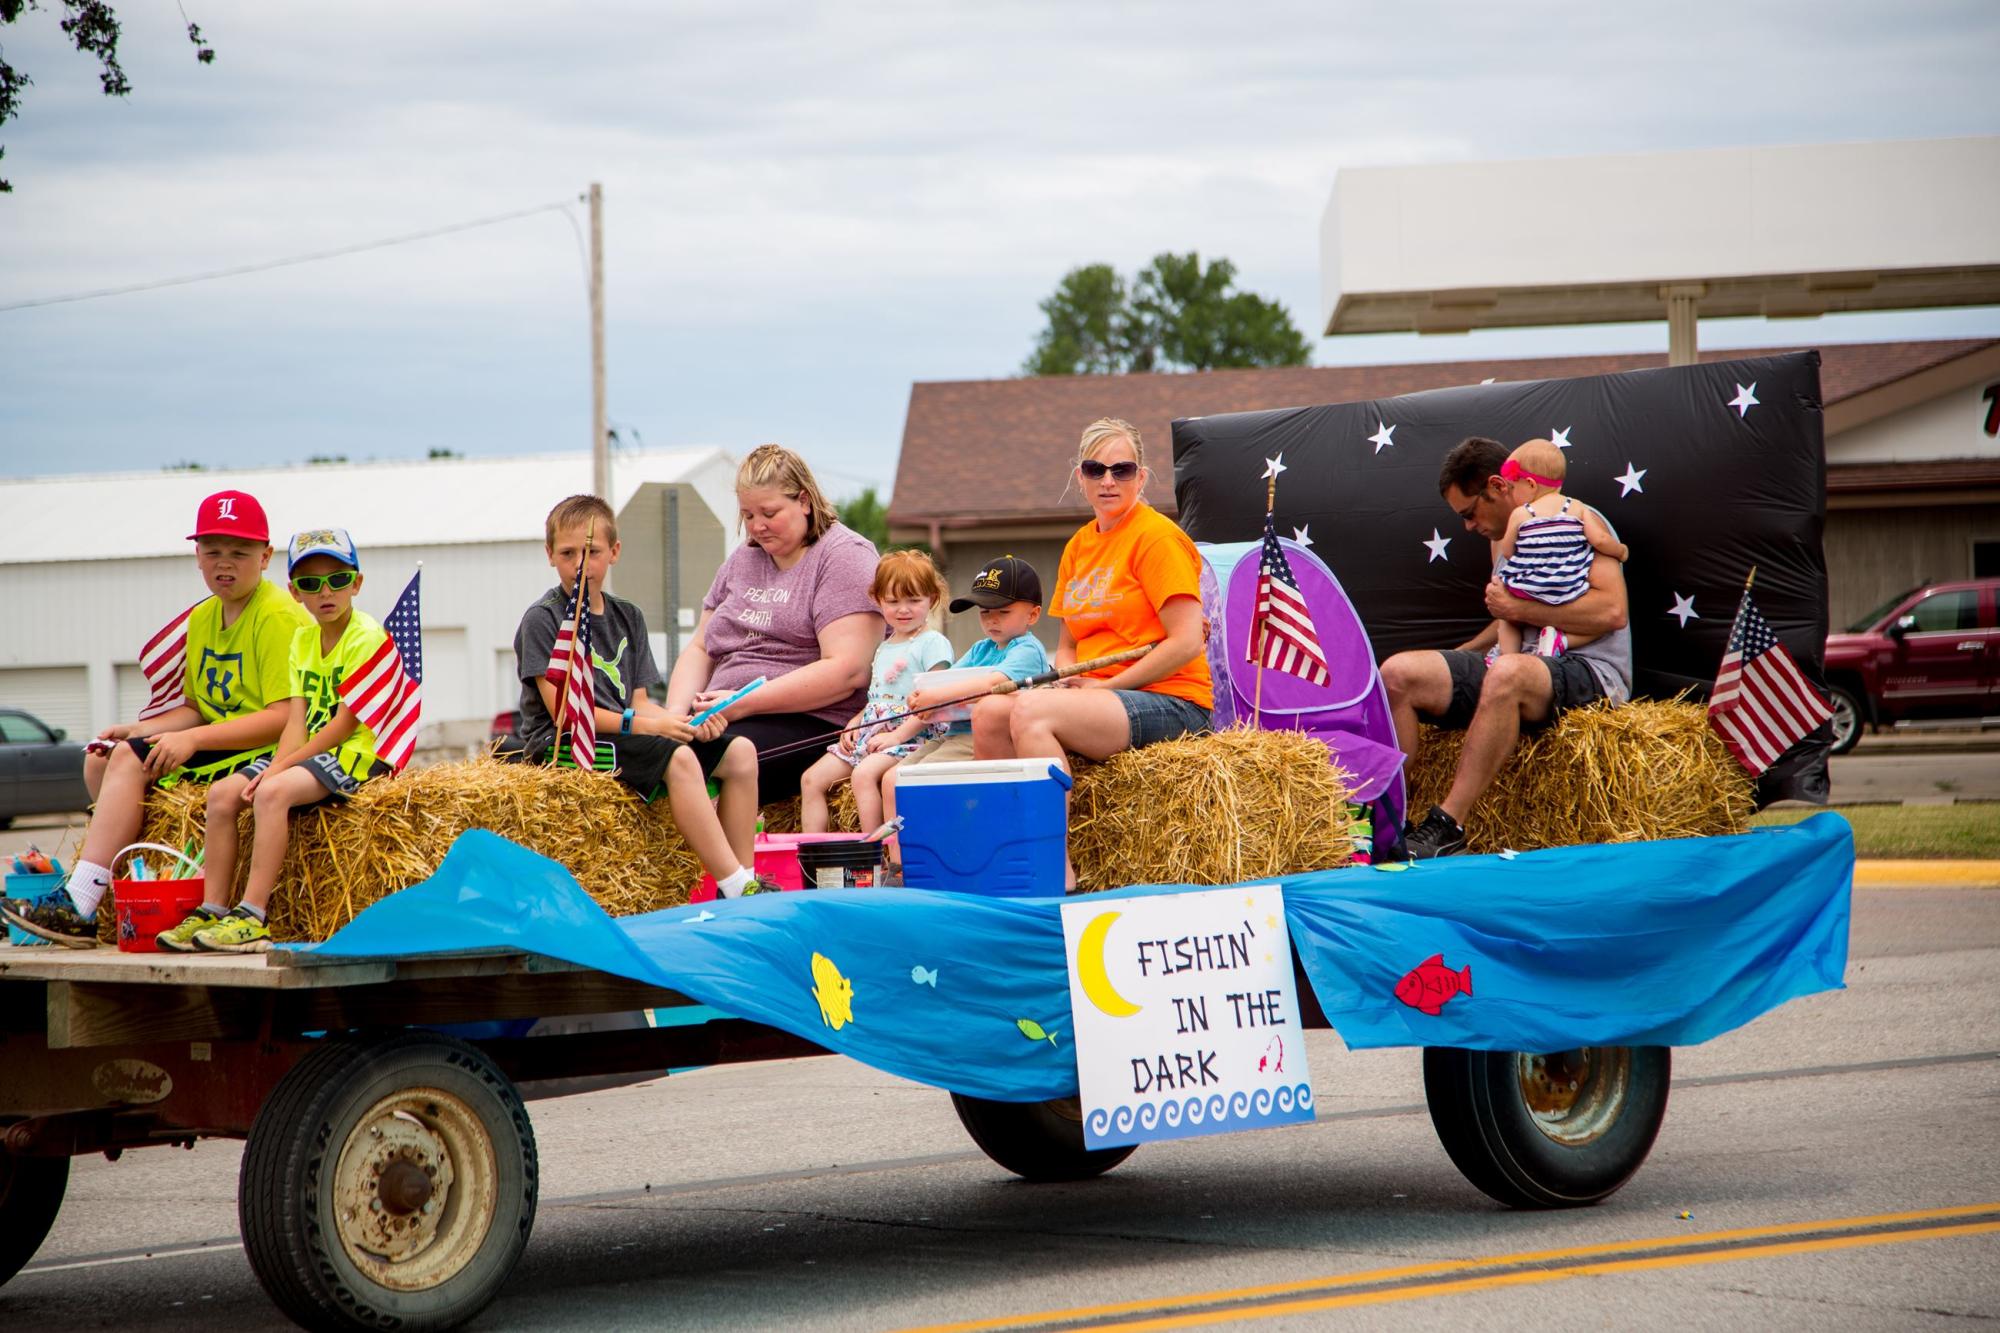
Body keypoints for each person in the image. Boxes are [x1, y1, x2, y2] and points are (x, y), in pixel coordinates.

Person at [2, 490, 310, 948]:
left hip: (265, 749)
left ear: (265, 557)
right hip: (220, 739)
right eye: (213, 552)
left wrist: (188, 741)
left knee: (128, 761)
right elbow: (196, 706)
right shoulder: (204, 618)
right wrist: (144, 728)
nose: (225, 563)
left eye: (240, 552)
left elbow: (282, 717)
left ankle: (80, 905)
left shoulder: (278, 615)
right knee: (101, 760)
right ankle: (123, 897)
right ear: (197, 557)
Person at [968, 419, 1212, 884]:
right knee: (989, 714)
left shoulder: (1156, 539)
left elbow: (1185, 642)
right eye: (1095, 468)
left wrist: (1104, 689)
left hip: (1173, 701)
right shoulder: (1079, 545)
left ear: (1141, 477)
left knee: (1032, 716)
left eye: (1121, 470)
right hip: (1098, 696)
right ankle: (1002, 857)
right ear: (1079, 476)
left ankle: (1052, 873)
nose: (1108, 480)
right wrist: (1063, 678)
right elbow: (1067, 643)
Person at [1381, 436, 1633, 860]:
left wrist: (1514, 608)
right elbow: (1512, 617)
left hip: (1588, 669)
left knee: (1508, 671)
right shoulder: (1504, 537)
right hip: (1518, 663)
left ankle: (1448, 826)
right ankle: (1393, 824)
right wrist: (1461, 655)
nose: (1467, 527)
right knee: (1399, 672)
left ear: (1499, 487)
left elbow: (1611, 613)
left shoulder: (1577, 518)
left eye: (1469, 513)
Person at [516, 495, 767, 899]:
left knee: (740, 754)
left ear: (614, 552)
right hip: (562, 745)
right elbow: (566, 715)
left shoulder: (627, 616)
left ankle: (746, 874)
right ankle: (737, 886)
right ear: (550, 555)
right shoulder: (542, 619)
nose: (581, 565)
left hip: (622, 731)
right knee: (679, 759)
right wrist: (652, 727)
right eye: (568, 553)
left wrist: (683, 723)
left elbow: (639, 701)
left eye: (592, 552)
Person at [157, 529, 397, 952]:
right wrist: (274, 763)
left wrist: (279, 770)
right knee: (222, 795)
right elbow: (296, 722)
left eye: (337, 580)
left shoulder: (366, 635)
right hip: (310, 753)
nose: (325, 592)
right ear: (295, 592)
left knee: (271, 794)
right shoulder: (303, 640)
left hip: (357, 755)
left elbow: (343, 726)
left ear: (356, 584)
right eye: (309, 583)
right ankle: (212, 908)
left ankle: (253, 916)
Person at [664, 445, 884, 802]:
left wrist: (743, 702)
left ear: (804, 501)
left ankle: (730, 858)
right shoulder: (742, 560)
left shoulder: (844, 556)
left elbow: (847, 671)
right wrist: (674, 716)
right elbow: (702, 647)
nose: (757, 526)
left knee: (710, 759)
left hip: (811, 720)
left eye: (769, 512)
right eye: (748, 515)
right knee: (650, 753)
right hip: (725, 713)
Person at [880, 553, 1052, 872]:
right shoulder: (980, 649)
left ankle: (930, 857)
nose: (992, 620)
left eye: (1003, 611)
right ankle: (898, 863)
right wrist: (928, 702)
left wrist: (935, 695)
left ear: (1033, 614)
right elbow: (946, 681)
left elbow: (993, 683)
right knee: (892, 778)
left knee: (917, 780)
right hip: (955, 734)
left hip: (981, 738)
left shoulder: (1028, 650)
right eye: (985, 612)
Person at [799, 550, 953, 835]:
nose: (903, 609)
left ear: (932, 599)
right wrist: (856, 721)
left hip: (913, 734)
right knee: (811, 779)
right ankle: (814, 857)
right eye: (893, 601)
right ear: (877, 600)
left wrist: (895, 736)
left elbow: (935, 701)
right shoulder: (885, 644)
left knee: (864, 774)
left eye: (914, 600)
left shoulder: (933, 643)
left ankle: (873, 855)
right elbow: (879, 697)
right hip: (874, 732)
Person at [1490, 439, 1628, 660]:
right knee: (1596, 626)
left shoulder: (1521, 514)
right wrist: (1621, 552)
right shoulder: (1578, 508)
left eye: (1513, 487)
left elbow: (1507, 551)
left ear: (1531, 485)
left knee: (1508, 617)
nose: (1510, 494)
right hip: (1569, 587)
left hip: (1529, 587)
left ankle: (1506, 657)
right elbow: (1600, 540)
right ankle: (1561, 641)